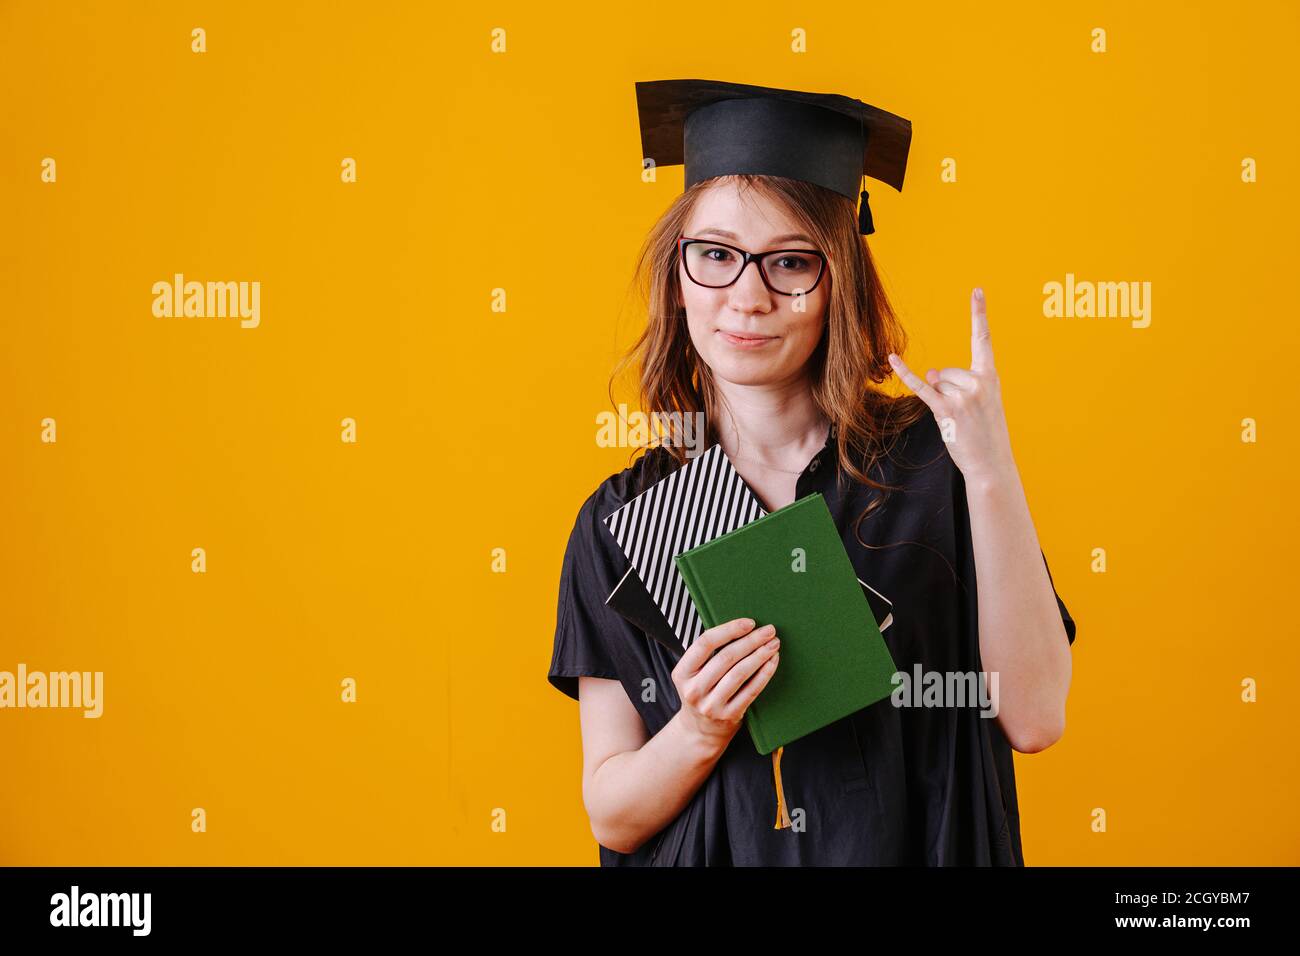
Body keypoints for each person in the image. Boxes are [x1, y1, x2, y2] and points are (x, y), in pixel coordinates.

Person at [547, 79, 1077, 865]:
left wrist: (992, 471)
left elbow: (1034, 720)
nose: (748, 297)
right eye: (717, 256)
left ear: (839, 283)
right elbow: (612, 815)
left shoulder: (938, 465)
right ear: (677, 274)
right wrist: (700, 726)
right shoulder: (622, 520)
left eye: (791, 261)